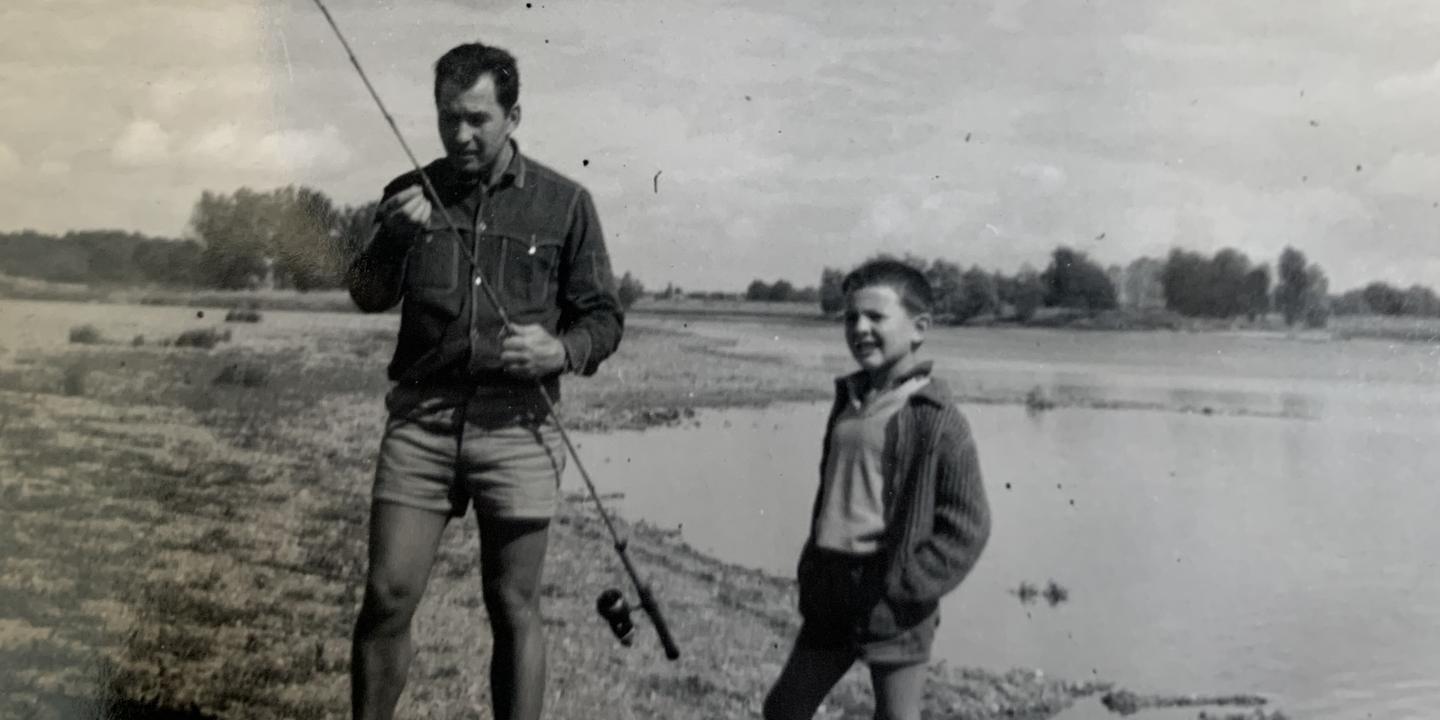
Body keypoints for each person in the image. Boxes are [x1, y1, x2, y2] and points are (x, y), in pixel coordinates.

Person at [344, 41, 623, 720]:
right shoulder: (409, 194)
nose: (461, 135)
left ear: (512, 115)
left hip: (518, 427)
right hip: (423, 423)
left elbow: (603, 318)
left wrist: (559, 351)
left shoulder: (566, 203)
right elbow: (368, 294)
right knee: (387, 595)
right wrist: (392, 238)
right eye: (447, 119)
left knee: (513, 603)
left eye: (477, 118)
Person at [763, 259, 991, 720]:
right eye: (851, 318)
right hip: (832, 586)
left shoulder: (937, 418)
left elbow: (969, 525)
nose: (860, 329)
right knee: (785, 709)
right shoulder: (848, 402)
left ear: (919, 328)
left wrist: (907, 585)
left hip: (893, 596)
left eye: (876, 318)